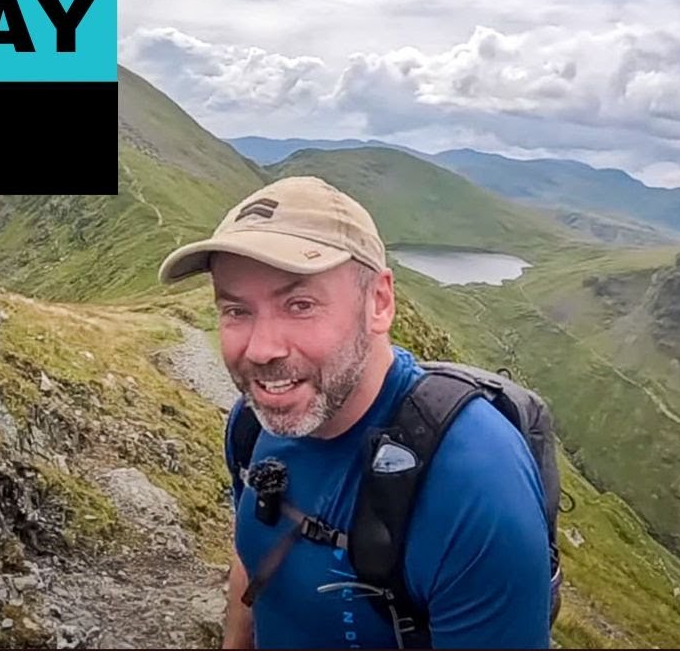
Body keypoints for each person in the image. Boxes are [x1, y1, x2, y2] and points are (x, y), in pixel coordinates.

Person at [157, 175, 552, 649]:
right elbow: (253, 555)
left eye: (299, 304)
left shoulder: (474, 483)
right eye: (236, 311)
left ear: (379, 303)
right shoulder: (250, 424)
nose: (261, 350)